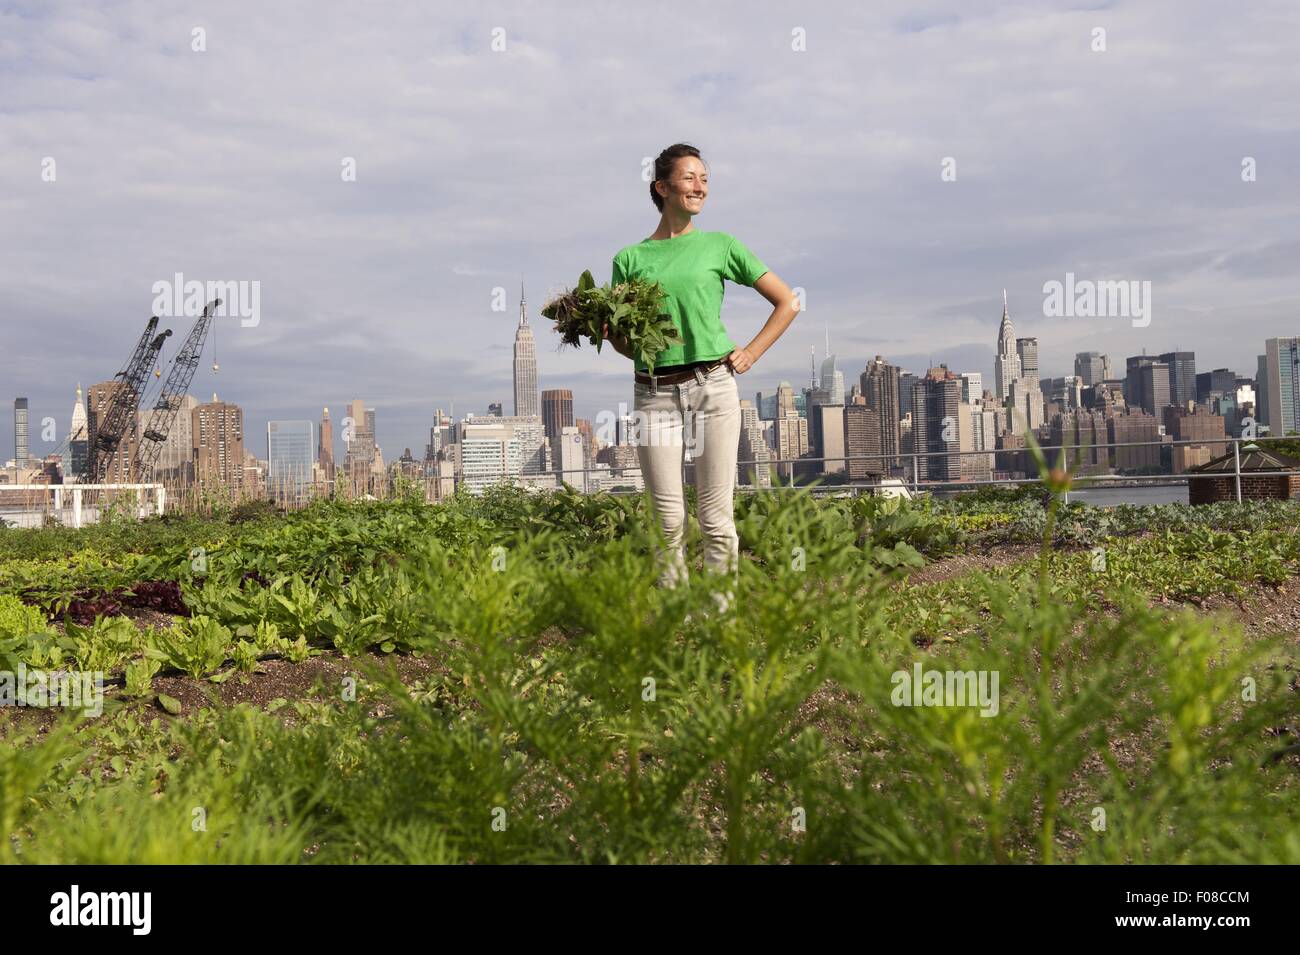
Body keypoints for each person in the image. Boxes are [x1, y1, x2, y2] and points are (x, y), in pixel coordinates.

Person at [604, 142, 798, 613]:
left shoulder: (720, 245)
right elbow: (628, 343)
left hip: (713, 387)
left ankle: (719, 620)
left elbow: (787, 301)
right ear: (662, 187)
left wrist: (751, 352)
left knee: (716, 517)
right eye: (690, 177)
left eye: (705, 179)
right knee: (668, 520)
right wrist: (611, 335)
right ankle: (677, 618)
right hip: (653, 394)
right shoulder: (629, 259)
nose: (700, 186)